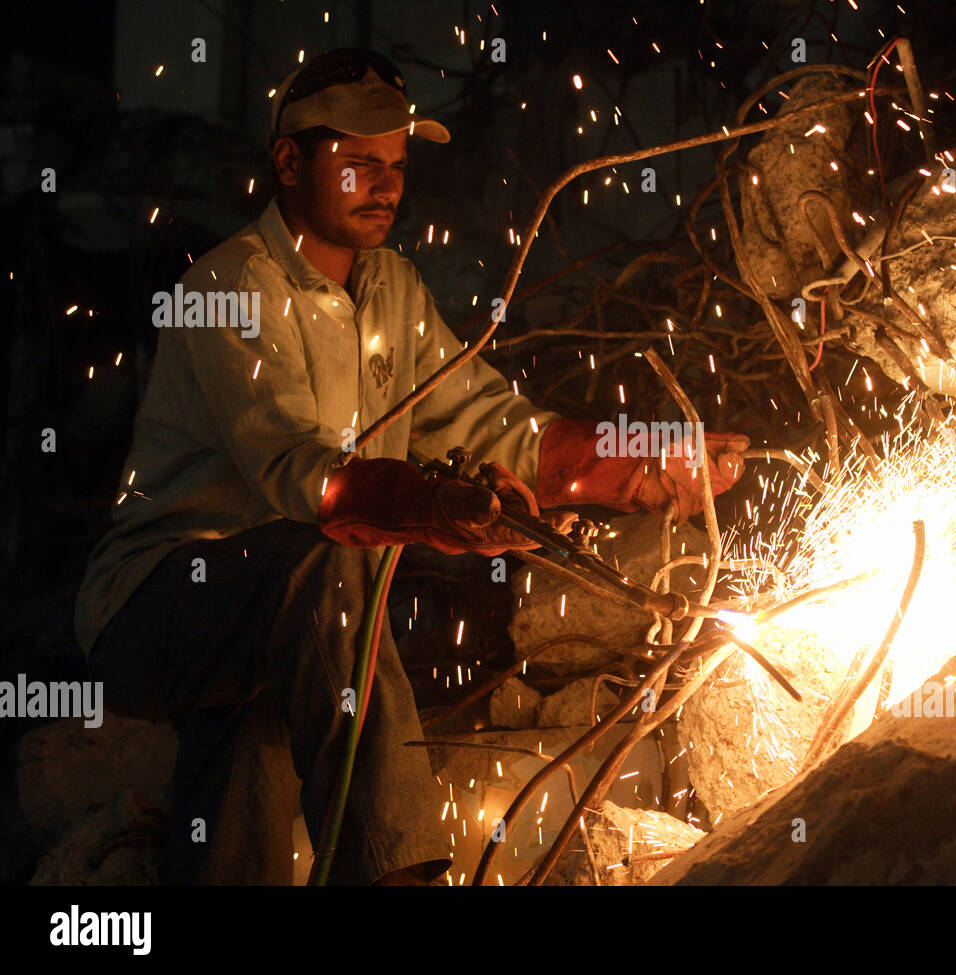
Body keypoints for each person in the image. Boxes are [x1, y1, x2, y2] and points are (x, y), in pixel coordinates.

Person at [73, 48, 748, 885]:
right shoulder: (232, 290)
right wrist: (436, 504)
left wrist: (639, 462)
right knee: (322, 570)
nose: (386, 186)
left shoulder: (392, 289)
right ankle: (398, 875)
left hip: (282, 619)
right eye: (358, 164)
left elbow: (493, 423)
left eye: (394, 165)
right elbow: (303, 479)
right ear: (289, 161)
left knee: (252, 739)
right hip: (157, 604)